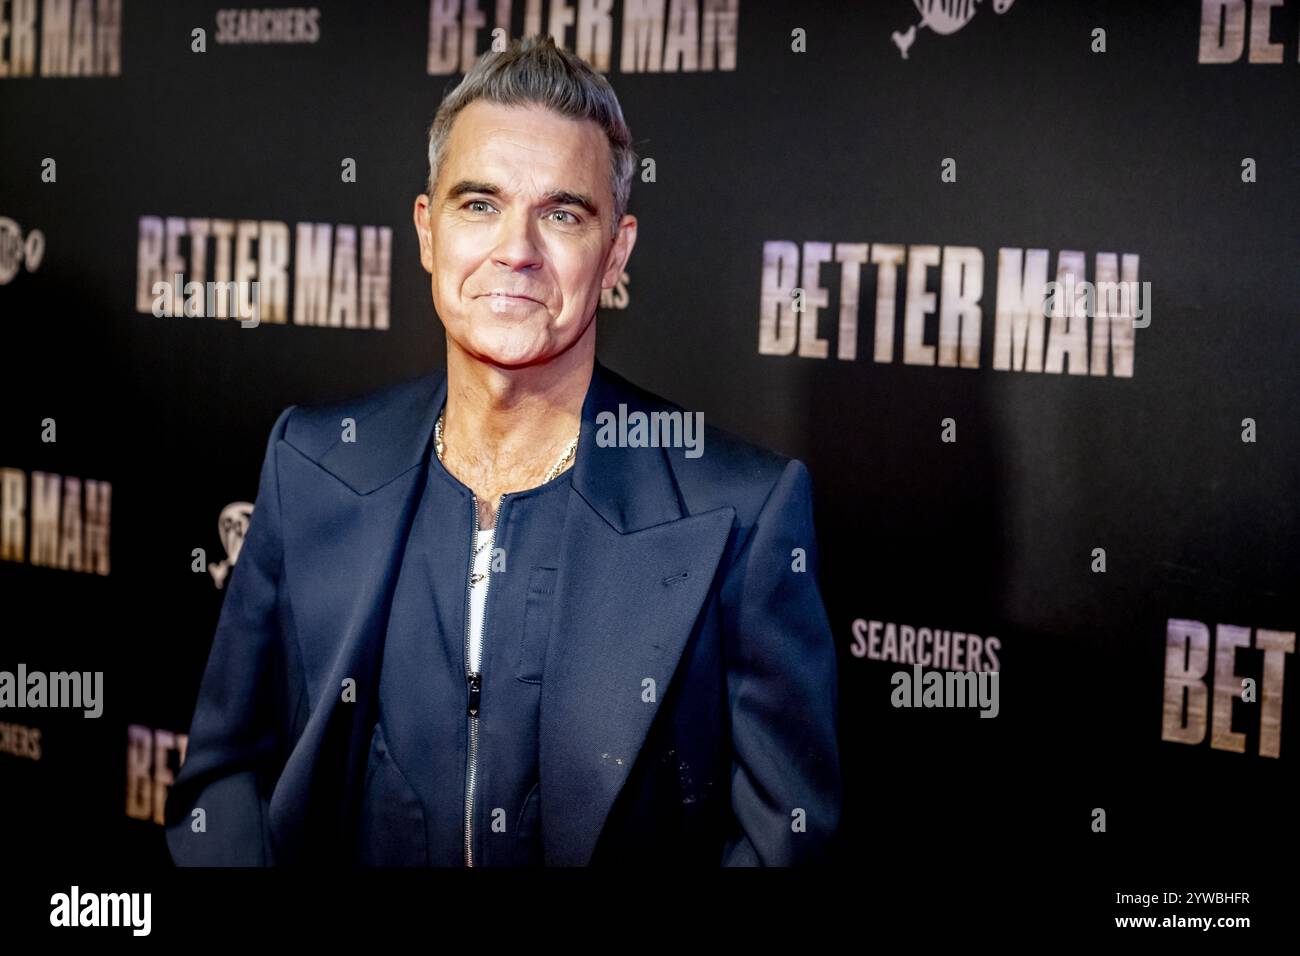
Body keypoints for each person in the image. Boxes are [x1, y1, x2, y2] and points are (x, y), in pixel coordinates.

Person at [165, 34, 840, 867]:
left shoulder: (741, 513)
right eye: (479, 204)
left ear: (616, 253)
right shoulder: (309, 465)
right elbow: (224, 781)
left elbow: (784, 843)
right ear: (427, 230)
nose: (516, 249)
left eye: (562, 214)